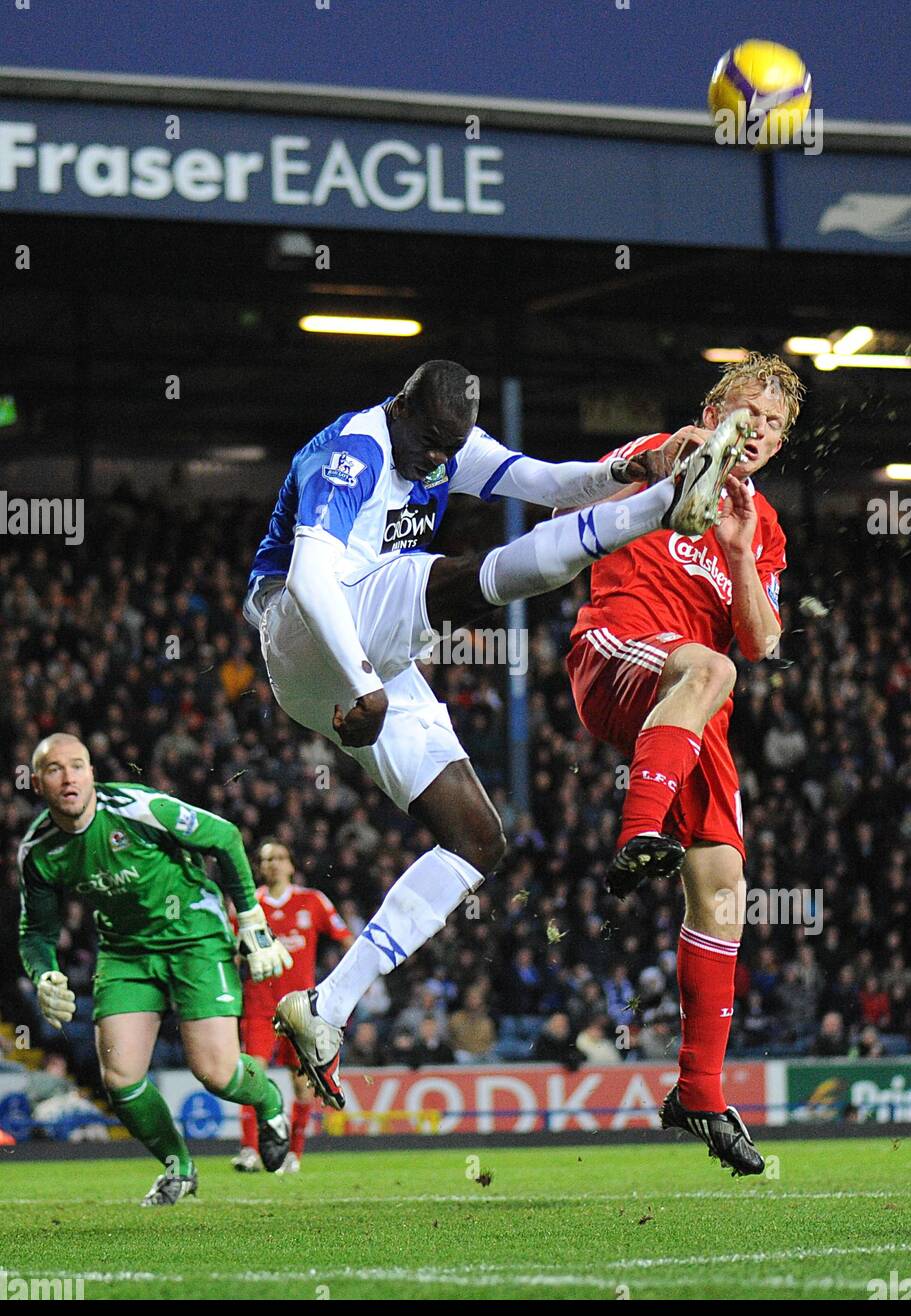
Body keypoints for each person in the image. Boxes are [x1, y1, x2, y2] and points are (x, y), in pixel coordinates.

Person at [243, 358, 751, 1109]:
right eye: (430, 444)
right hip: (303, 626)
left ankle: (325, 1009)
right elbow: (316, 577)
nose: (438, 462)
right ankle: (661, 510)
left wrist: (637, 466)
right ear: (400, 406)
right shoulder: (354, 450)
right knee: (461, 577)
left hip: (365, 657)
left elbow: (550, 483)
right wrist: (364, 685)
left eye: (451, 447)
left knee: (477, 839)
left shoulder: (444, 443)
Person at [566, 353, 804, 1176]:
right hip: (617, 652)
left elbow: (765, 641)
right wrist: (678, 459)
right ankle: (636, 834)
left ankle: (698, 1093)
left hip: (694, 707)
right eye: (748, 414)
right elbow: (587, 486)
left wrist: (738, 553)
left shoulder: (764, 523)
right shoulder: (666, 450)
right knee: (711, 667)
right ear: (714, 409)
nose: (759, 433)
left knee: (725, 891)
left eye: (774, 426)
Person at [18, 733, 293, 1204]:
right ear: (37, 783)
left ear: (91, 773)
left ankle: (267, 1100)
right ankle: (179, 1167)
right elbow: (37, 934)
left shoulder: (137, 807)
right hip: (126, 952)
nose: (68, 777)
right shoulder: (40, 852)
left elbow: (224, 836)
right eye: (54, 769)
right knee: (120, 1076)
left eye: (77, 765)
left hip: (195, 936)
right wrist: (43, 973)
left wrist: (251, 920)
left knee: (217, 1073)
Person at [232, 839, 352, 1174]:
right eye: (266, 858)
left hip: (300, 1012)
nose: (272, 864)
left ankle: (292, 1156)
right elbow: (231, 952)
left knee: (302, 1084)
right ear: (259, 866)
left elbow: (346, 941)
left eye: (279, 858)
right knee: (252, 1076)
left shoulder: (312, 901)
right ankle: (250, 1151)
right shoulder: (248, 905)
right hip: (259, 1007)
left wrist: (341, 990)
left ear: (291, 865)